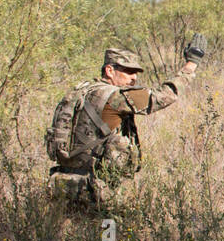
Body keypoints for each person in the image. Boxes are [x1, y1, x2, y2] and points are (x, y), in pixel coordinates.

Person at [46, 34, 206, 205]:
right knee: (109, 232)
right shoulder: (114, 96)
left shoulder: (79, 92)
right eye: (128, 71)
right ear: (109, 70)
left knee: (69, 232)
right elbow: (162, 96)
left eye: (136, 73)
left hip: (63, 185)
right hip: (97, 191)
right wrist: (191, 64)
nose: (134, 77)